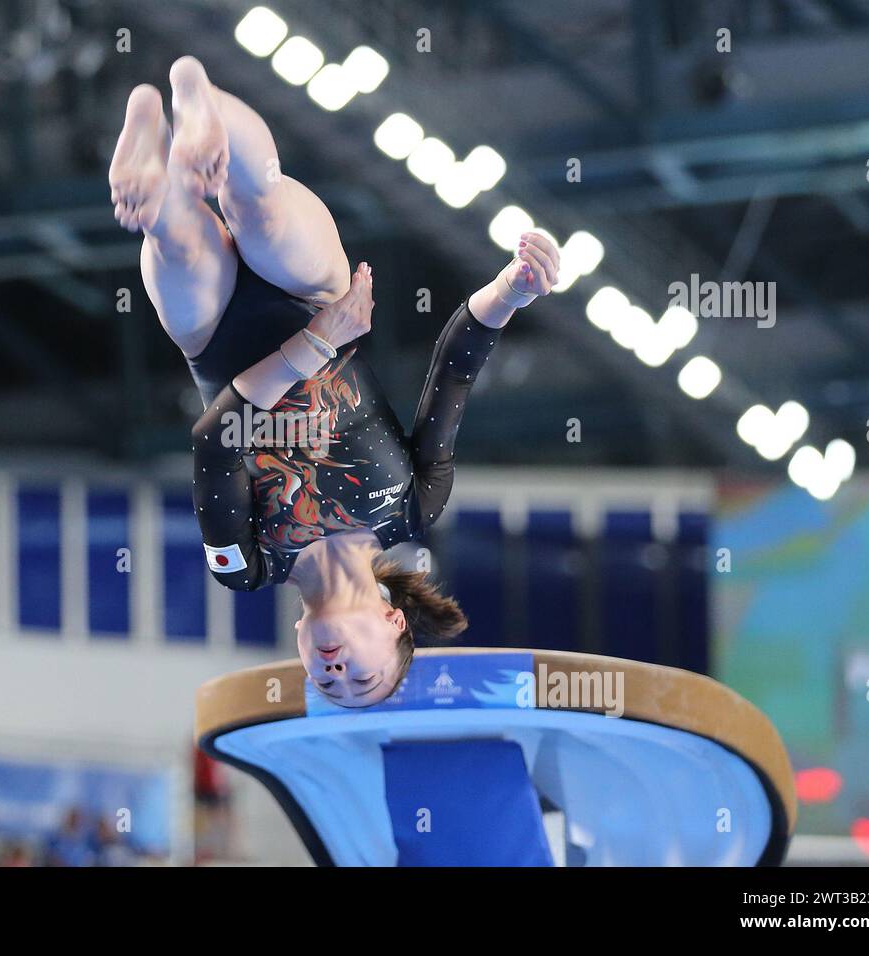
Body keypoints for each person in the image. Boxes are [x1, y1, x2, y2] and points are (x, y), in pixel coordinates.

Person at [110, 57, 560, 707]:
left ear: (299, 650)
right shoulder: (412, 503)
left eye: (324, 683)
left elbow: (213, 439)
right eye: (360, 676)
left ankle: (153, 172)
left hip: (216, 341)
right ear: (394, 623)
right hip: (312, 292)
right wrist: (510, 291)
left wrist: (320, 342)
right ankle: (196, 101)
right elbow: (453, 372)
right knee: (259, 208)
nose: (333, 671)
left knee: (171, 235)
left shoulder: (246, 566)